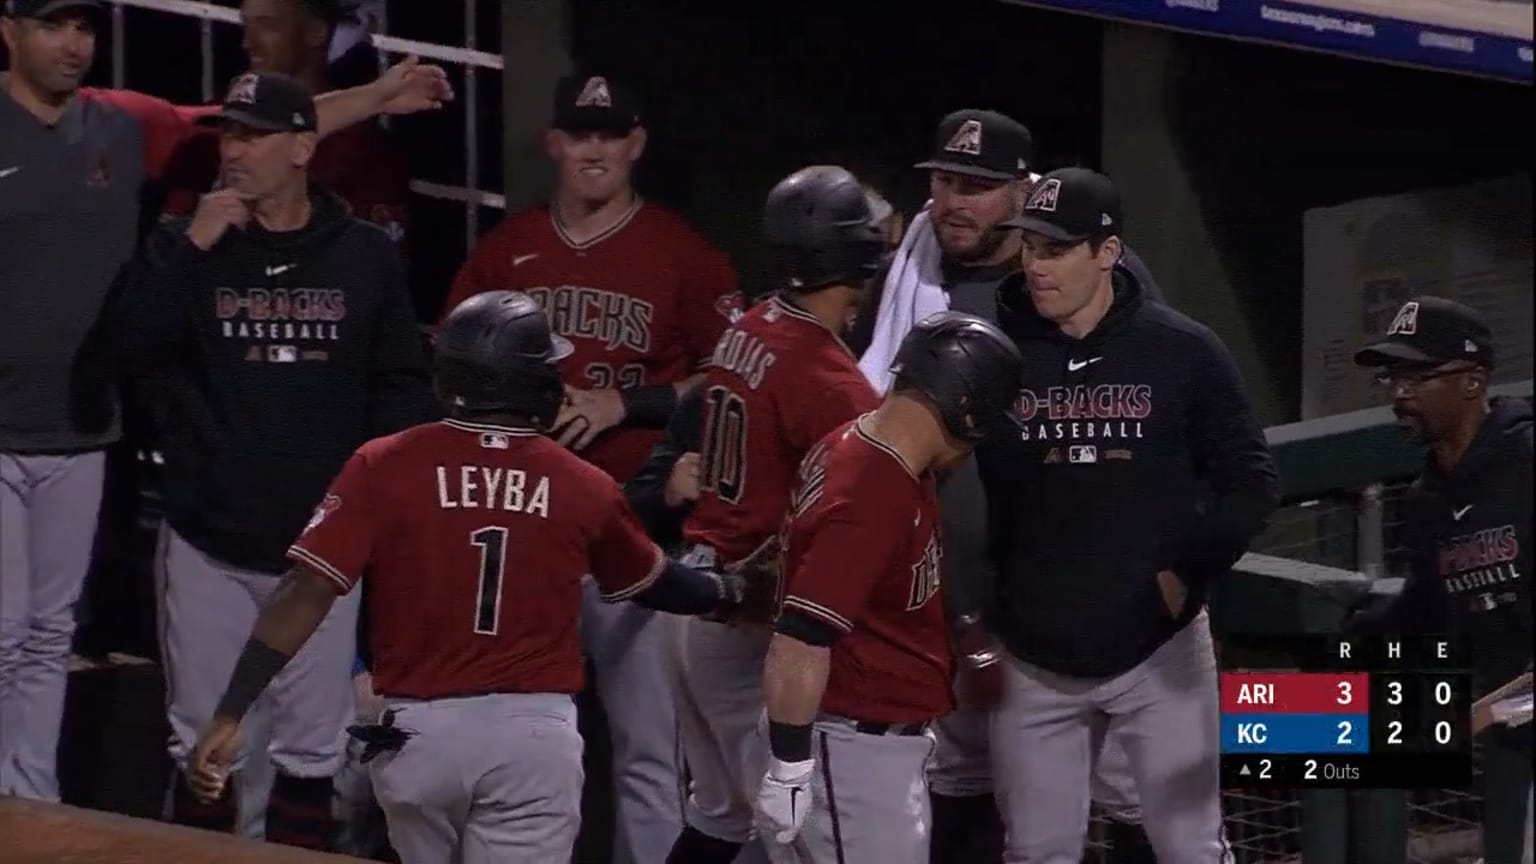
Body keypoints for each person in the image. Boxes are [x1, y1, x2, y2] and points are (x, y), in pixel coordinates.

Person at [0, 0, 449, 804]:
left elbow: (262, 127)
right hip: (151, 502)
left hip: (118, 451)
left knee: (47, 640)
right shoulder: (188, 244)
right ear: (9, 30)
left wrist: (378, 97)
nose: (72, 44)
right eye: (49, 25)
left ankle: (28, 802)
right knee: (21, 648)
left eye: (82, 27)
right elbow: (132, 348)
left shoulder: (126, 124)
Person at [185, 291, 776, 864]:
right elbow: (655, 583)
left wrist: (233, 709)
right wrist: (732, 592)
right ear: (538, 385)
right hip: (530, 741)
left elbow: (305, 589)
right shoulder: (581, 484)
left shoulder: (382, 465)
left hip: (418, 740)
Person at [112, 71, 438, 849]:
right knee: (203, 750)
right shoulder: (187, 248)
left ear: (303, 147)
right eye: (229, 134)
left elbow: (400, 388)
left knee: (310, 758)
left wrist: (377, 518)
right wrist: (190, 248)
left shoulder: (361, 254)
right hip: (208, 541)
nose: (236, 151)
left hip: (320, 552)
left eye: (255, 136)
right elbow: (125, 355)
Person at [443, 73, 743, 863]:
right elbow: (448, 368)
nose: (595, 151)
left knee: (650, 752)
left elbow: (732, 372)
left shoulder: (684, 254)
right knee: (518, 742)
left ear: (636, 144)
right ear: (554, 143)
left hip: (636, 534)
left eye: (610, 135)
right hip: (522, 532)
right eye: (580, 134)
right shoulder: (506, 251)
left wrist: (627, 404)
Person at [849, 109, 1163, 863]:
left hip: (1068, 585)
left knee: (1127, 791)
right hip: (947, 585)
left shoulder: (1092, 280)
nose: (955, 202)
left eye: (980, 187)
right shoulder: (916, 264)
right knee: (963, 780)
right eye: (947, 182)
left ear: (1025, 192)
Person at [976, 167, 1280, 862]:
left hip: (1157, 653)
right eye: (1029, 248)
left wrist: (1187, 571)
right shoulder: (991, 352)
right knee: (1035, 852)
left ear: (1106, 253)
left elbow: (1251, 483)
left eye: (1055, 250)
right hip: (1032, 655)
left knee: (1190, 847)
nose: (1036, 266)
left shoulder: (1183, 351)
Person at [665, 165, 884, 864]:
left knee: (721, 816)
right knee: (800, 833)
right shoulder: (831, 380)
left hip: (698, 595)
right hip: (746, 620)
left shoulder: (751, 324)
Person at [753, 311, 1025, 863]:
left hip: (863, 747)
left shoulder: (864, 449)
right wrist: (790, 768)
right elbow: (801, 637)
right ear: (966, 408)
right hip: (849, 753)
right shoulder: (872, 491)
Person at [1350, 296, 1533, 864]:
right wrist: (1351, 641)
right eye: (1393, 376)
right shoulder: (1428, 497)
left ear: (1473, 382)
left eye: (1419, 376)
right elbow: (1427, 606)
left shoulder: (1529, 461)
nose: (1399, 392)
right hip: (1514, 731)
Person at [161, 0, 412, 253]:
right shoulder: (208, 136)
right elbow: (166, 257)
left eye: (268, 26)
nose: (248, 43)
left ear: (315, 33)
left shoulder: (366, 151)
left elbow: (372, 272)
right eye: (246, 26)